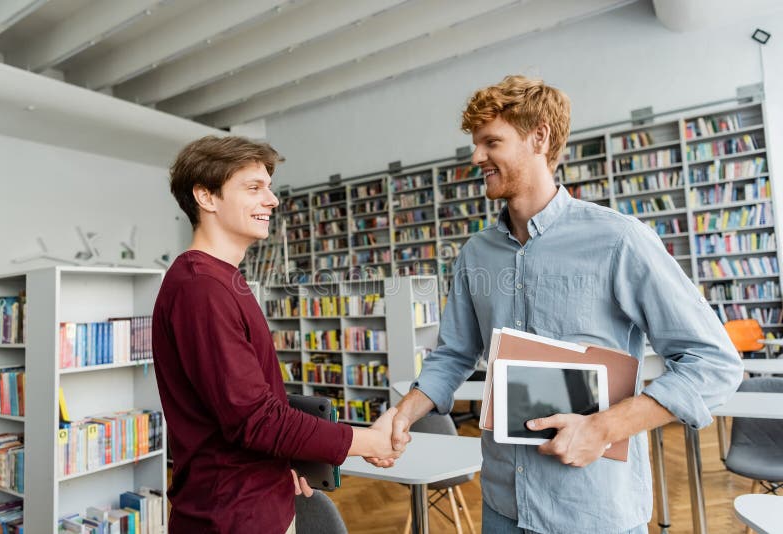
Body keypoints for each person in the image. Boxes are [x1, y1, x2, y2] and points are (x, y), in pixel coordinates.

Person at [384, 75, 743, 533]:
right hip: (502, 505)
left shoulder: (618, 240)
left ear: (539, 138)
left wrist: (602, 428)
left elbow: (713, 362)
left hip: (593, 508)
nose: (476, 157)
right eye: (476, 144)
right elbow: (454, 353)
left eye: (491, 141)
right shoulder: (475, 254)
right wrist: (403, 413)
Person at [152, 135, 400, 534]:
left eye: (269, 186)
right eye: (254, 188)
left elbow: (244, 403)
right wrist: (369, 442)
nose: (273, 200)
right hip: (232, 516)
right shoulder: (201, 289)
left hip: (255, 501)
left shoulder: (221, 280)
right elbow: (255, 419)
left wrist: (289, 458)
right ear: (206, 197)